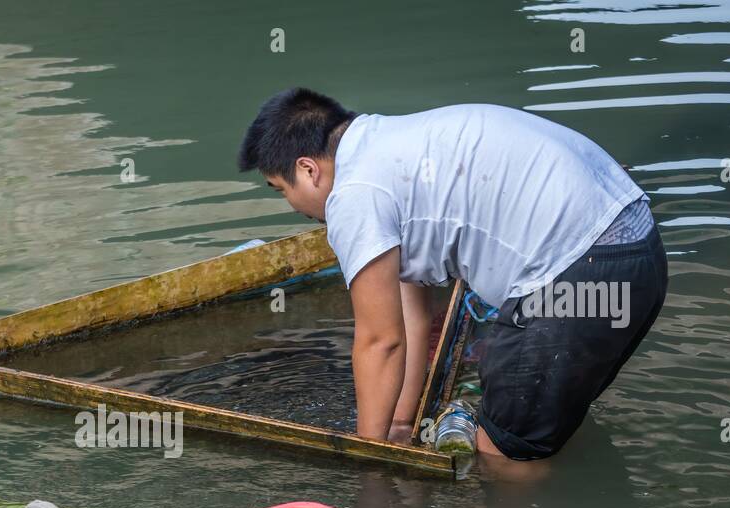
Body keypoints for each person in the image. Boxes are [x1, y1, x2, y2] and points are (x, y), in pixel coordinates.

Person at [237, 88, 668, 460]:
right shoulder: (389, 147)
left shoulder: (354, 196)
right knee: (540, 422)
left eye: (282, 189)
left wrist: (369, 467)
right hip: (638, 254)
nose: (291, 204)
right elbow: (408, 323)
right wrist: (400, 426)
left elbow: (379, 342)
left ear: (308, 169)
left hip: (583, 272)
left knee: (502, 455)